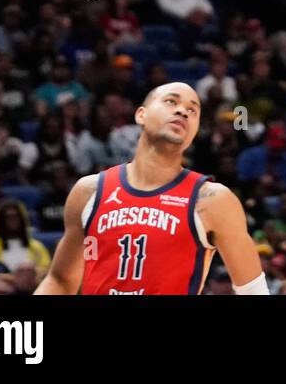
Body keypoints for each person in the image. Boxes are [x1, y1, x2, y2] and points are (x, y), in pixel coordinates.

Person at [36, 83, 265, 295]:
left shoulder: (213, 199)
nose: (183, 111)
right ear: (141, 114)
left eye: (192, 110)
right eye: (171, 102)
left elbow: (253, 290)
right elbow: (60, 280)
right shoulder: (88, 191)